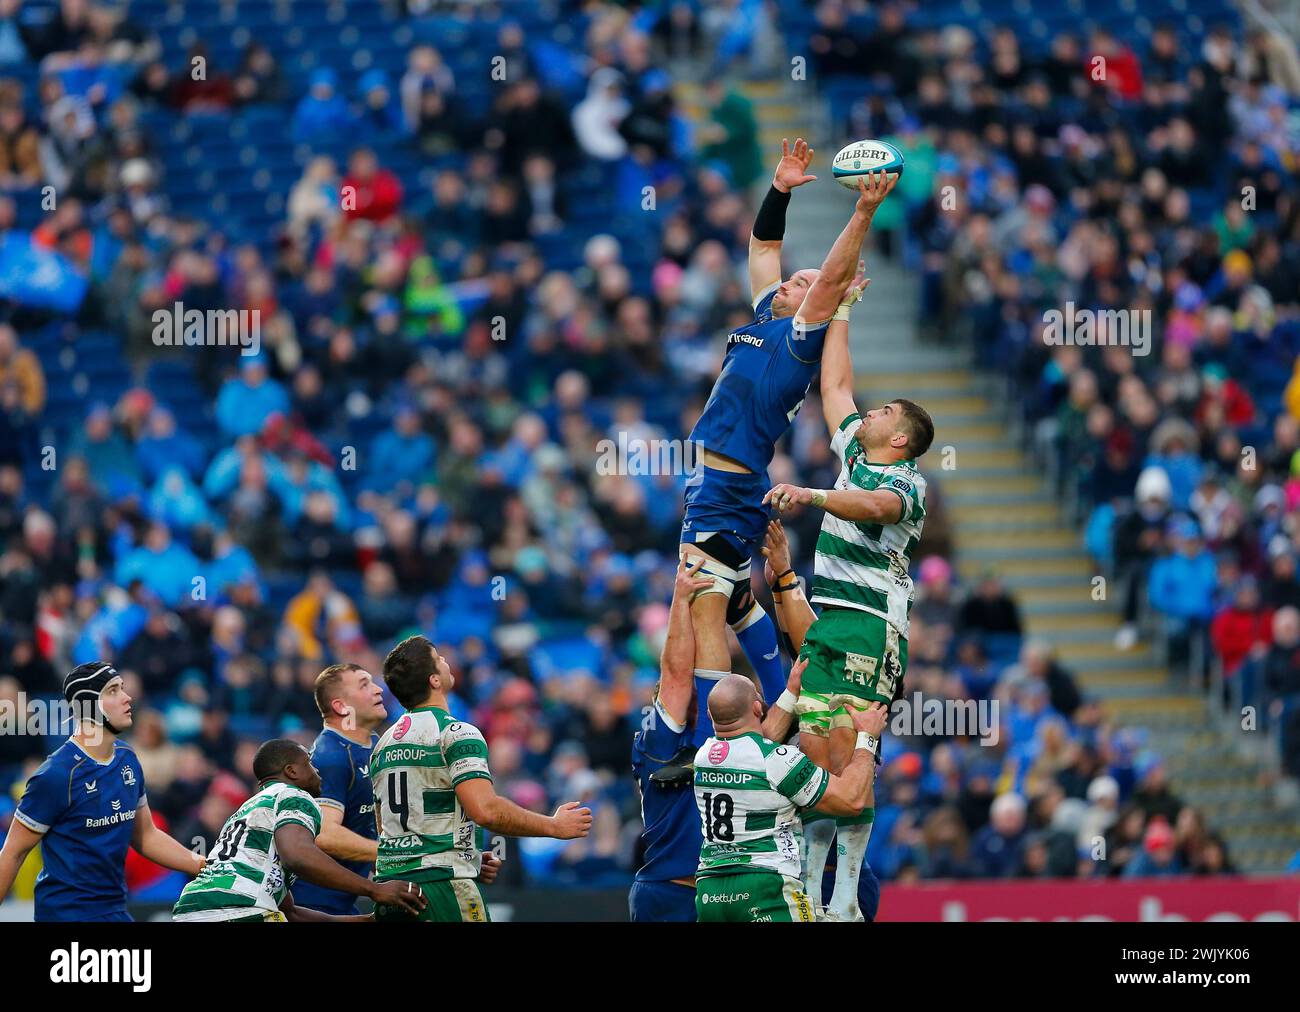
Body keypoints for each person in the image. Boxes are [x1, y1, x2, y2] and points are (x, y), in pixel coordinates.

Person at [678, 142, 898, 765]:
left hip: (726, 482)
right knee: (738, 601)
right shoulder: (760, 314)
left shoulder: (799, 342)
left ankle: (711, 748)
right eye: (792, 282)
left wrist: (862, 213)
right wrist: (780, 190)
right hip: (728, 483)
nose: (794, 281)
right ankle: (786, 701)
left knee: (704, 604)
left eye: (805, 285)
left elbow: (827, 281)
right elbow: (763, 249)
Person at [763, 255, 934, 921]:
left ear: (901, 437)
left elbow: (872, 510)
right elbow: (834, 384)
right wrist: (841, 311)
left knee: (850, 755)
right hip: (833, 621)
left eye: (885, 410)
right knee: (817, 758)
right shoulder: (858, 456)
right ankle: (810, 887)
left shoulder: (906, 485)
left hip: (872, 625)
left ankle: (844, 900)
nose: (872, 409)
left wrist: (813, 494)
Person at [370, 635, 592, 922]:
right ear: (434, 680)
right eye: (439, 659)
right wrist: (553, 826)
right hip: (442, 888)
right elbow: (485, 810)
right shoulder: (457, 733)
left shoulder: (382, 745)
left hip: (393, 890)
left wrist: (468, 855)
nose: (447, 662)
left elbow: (385, 827)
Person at [0, 662, 204, 921]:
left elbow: (145, 836)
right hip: (66, 917)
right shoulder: (57, 775)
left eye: (123, 688)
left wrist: (202, 865)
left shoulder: (127, 759)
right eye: (113, 691)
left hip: (116, 911)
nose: (127, 697)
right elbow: (12, 852)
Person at [692, 669, 887, 922]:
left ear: (710, 715)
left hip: (710, 892)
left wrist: (791, 690)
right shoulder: (777, 761)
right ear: (757, 707)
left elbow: (754, 742)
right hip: (765, 887)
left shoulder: (703, 757)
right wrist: (867, 739)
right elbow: (851, 800)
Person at [172, 739, 427, 921]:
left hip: (193, 909)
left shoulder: (247, 811)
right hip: (238, 910)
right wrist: (374, 889)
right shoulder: (294, 796)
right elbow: (297, 855)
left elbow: (291, 913)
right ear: (291, 771)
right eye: (310, 765)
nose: (317, 772)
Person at [628, 557, 715, 922]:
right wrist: (680, 601)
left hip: (719, 895)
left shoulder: (725, 735)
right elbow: (676, 675)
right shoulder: (655, 741)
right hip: (670, 891)